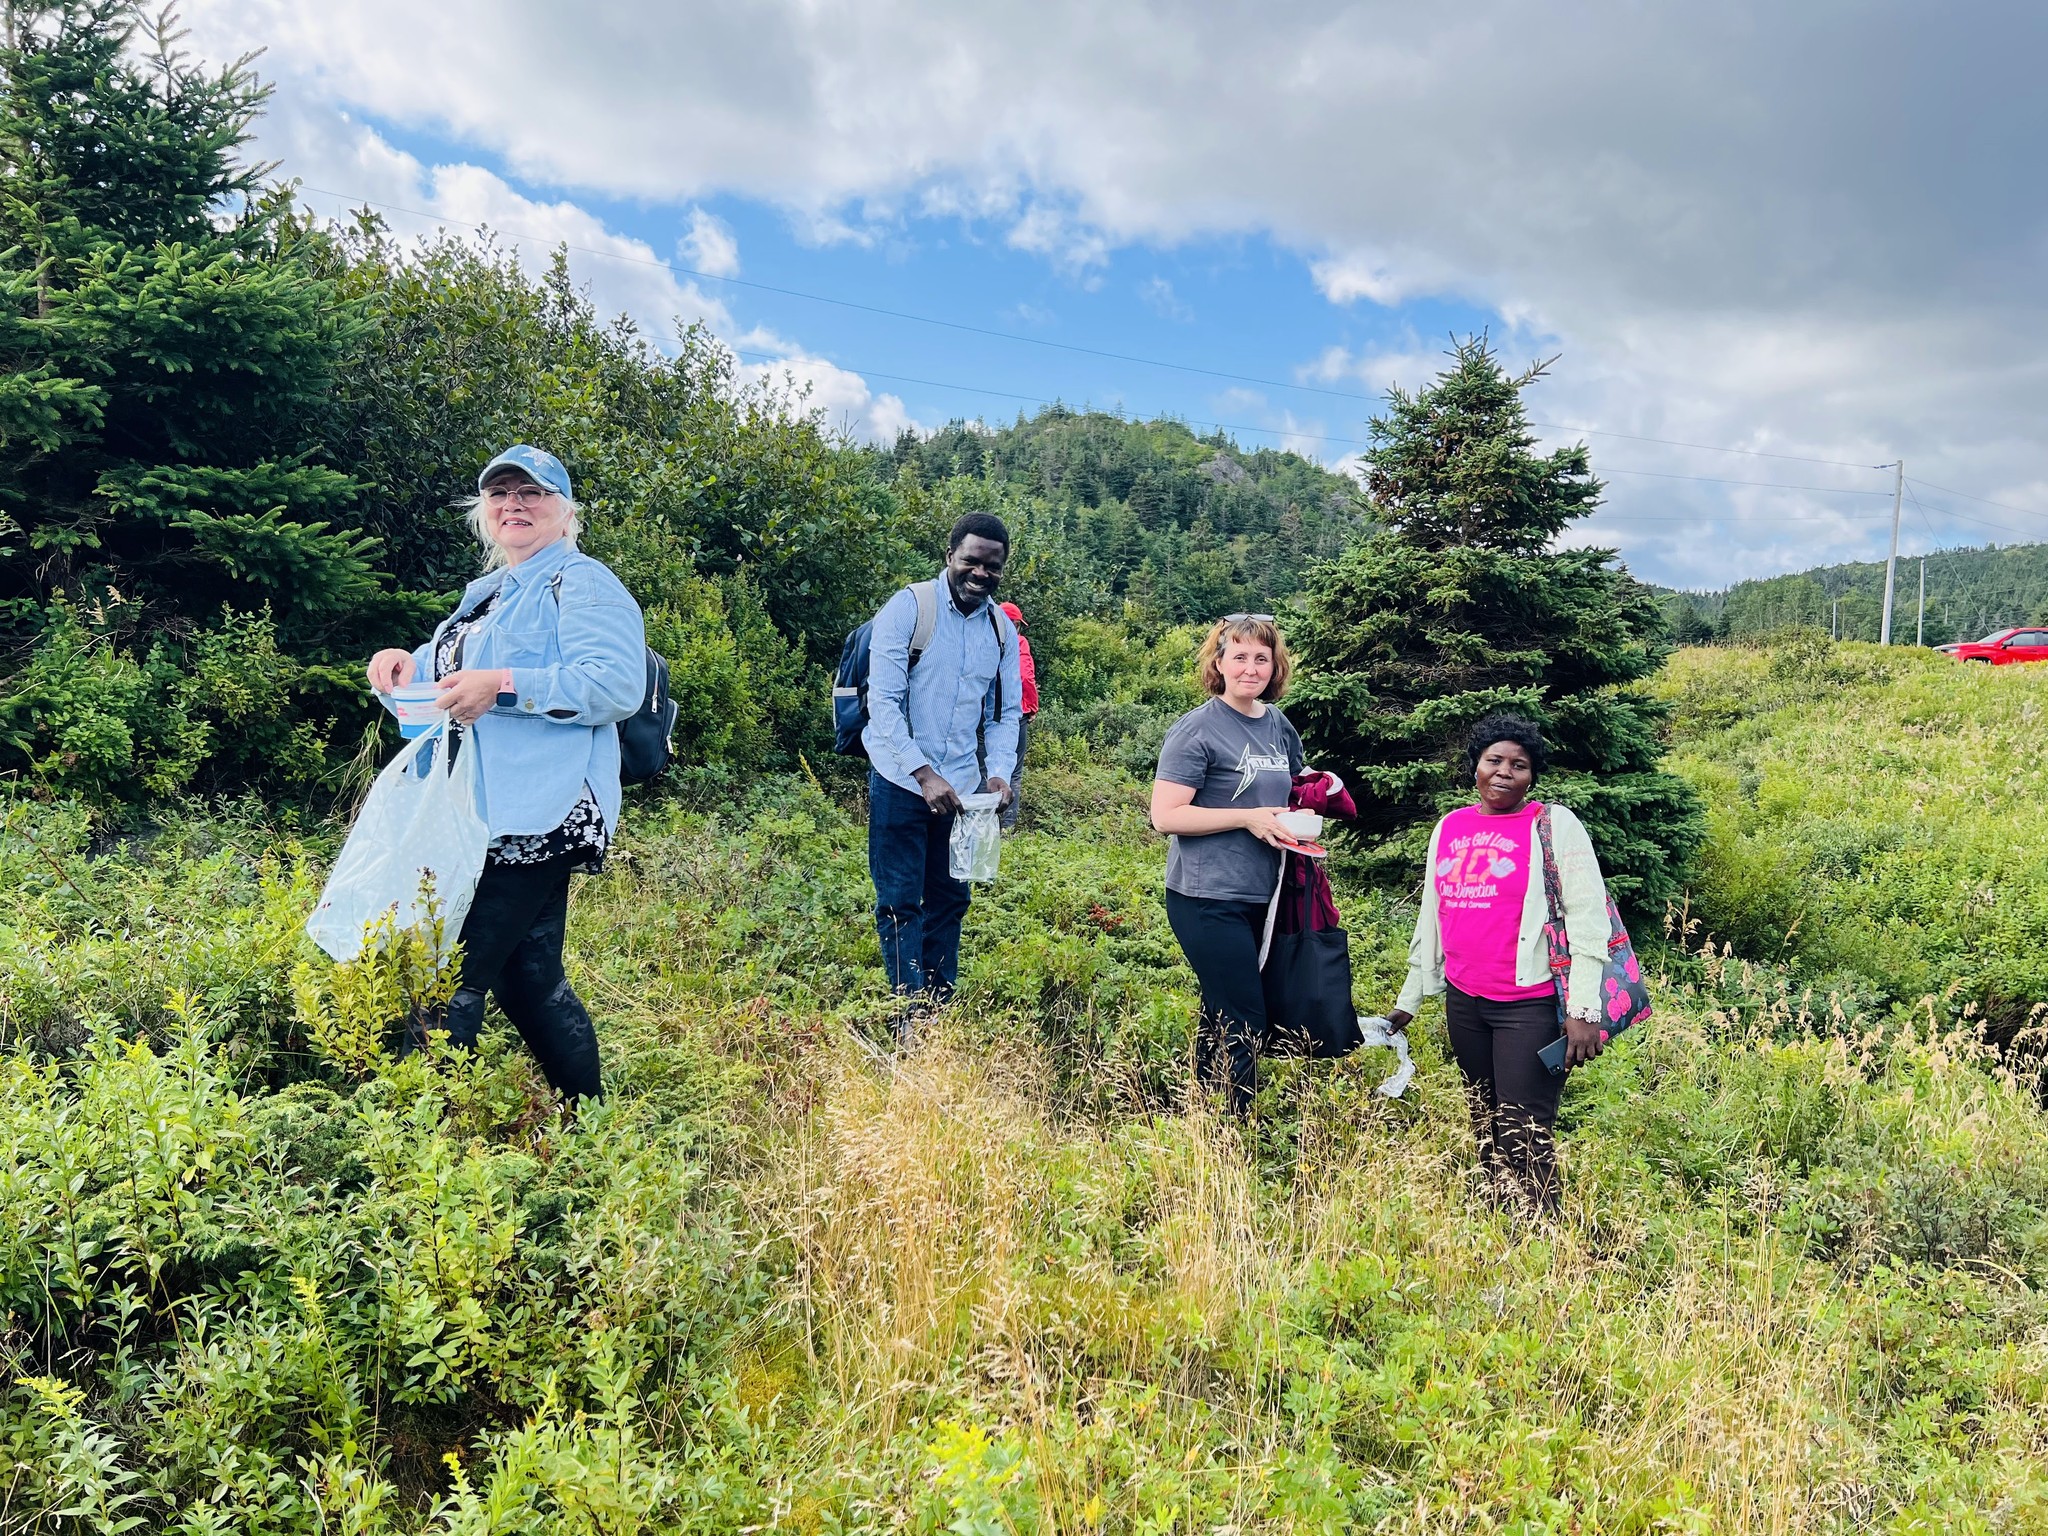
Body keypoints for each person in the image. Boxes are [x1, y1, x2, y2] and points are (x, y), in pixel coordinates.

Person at [365, 445, 645, 1103]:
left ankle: (429, 1163)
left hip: (542, 810)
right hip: (484, 810)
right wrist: (399, 668)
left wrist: (506, 684)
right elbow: (438, 695)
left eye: (532, 494)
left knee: (448, 982)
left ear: (564, 511)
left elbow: (615, 686)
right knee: (530, 979)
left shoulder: (580, 583)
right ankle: (589, 1124)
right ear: (483, 511)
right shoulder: (488, 595)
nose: (514, 505)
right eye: (501, 494)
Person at [1383, 713, 1611, 1211]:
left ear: (1532, 776)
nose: (1504, 772)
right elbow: (1432, 920)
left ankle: (1540, 1240)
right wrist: (1411, 998)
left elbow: (1590, 921)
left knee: (1523, 1128)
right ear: (1476, 767)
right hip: (1466, 1003)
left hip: (1527, 1006)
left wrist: (1584, 1010)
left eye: (1519, 764)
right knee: (1483, 1117)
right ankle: (1495, 1222)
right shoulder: (1450, 827)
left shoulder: (1552, 824)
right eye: (1494, 760)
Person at [862, 512, 1023, 1031]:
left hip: (962, 789)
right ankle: (907, 1014)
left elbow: (1005, 713)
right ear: (950, 555)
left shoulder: (1000, 627)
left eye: (991, 566)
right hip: (900, 781)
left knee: (951, 898)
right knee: (900, 901)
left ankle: (938, 1010)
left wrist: (998, 773)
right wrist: (922, 773)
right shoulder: (910, 608)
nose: (979, 573)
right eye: (971, 561)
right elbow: (883, 703)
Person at [1148, 614, 1304, 1114]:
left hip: (1265, 893)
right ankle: (1235, 1130)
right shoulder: (1196, 729)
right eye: (1239, 656)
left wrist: (1322, 793)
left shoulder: (1277, 723)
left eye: (1262, 658)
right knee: (1246, 1015)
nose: (1251, 668)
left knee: (1220, 1007)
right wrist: (1246, 819)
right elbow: (1165, 815)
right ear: (1219, 663)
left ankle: (1194, 1108)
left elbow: (1294, 784)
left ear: (1274, 666)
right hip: (1204, 896)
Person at [997, 600, 1038, 832]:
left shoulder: (983, 638)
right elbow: (1025, 677)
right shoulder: (1018, 642)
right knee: (1013, 770)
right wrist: (1031, 706)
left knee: (983, 769)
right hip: (1014, 713)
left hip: (982, 715)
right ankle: (1008, 826)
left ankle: (986, 823)